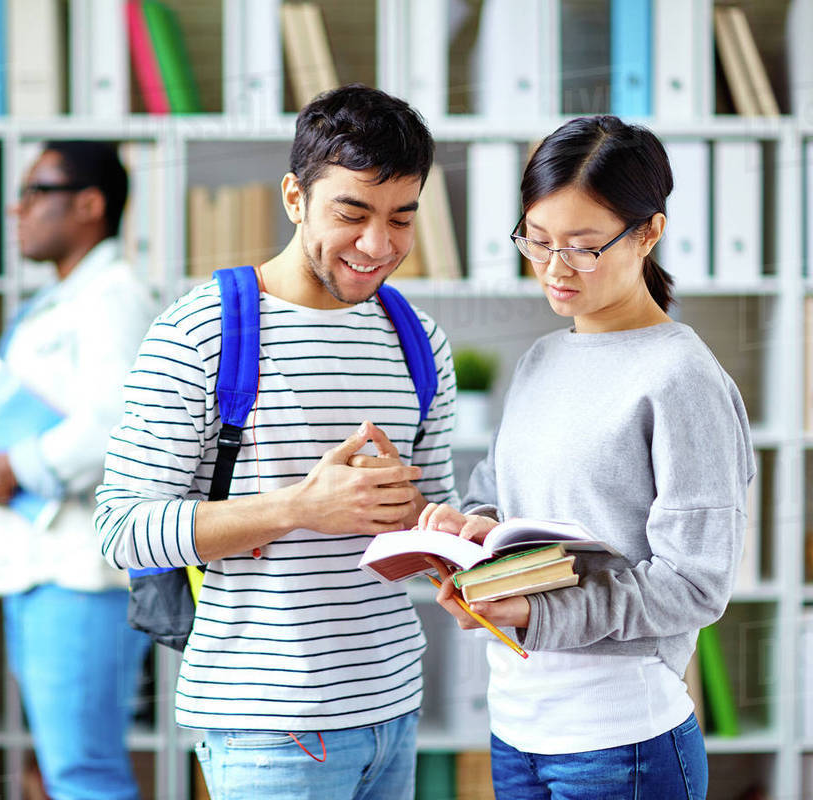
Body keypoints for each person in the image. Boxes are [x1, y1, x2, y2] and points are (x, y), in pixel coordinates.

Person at [95, 85, 458, 799]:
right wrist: (298, 507)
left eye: (401, 218)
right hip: (269, 728)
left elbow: (432, 511)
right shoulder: (200, 333)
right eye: (351, 214)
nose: (378, 245)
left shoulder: (420, 342)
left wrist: (453, 536)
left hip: (394, 709)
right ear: (295, 197)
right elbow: (121, 531)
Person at [419, 115, 755, 799]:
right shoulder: (544, 358)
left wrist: (538, 612)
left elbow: (696, 585)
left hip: (621, 738)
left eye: (582, 247)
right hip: (516, 726)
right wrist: (470, 531)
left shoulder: (681, 377)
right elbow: (497, 490)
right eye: (537, 241)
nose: (553, 269)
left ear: (649, 232)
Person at [0, 140, 158, 800]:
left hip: (80, 576)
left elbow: (115, 425)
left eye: (35, 191)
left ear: (90, 205)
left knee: (84, 774)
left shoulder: (113, 297)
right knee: (66, 770)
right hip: (44, 569)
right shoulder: (68, 296)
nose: (17, 208)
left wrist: (15, 466)